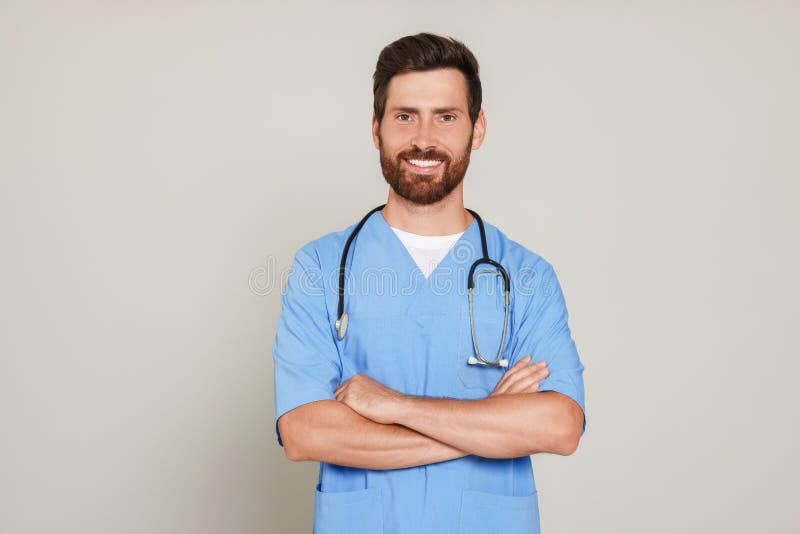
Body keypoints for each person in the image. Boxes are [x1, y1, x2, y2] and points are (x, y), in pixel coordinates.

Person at [272, 32, 586, 534]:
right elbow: (305, 433)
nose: (423, 139)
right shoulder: (320, 268)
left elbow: (559, 426)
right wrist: (487, 421)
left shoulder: (527, 276)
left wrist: (394, 407)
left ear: (477, 129)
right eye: (404, 116)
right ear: (376, 129)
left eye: (446, 116)